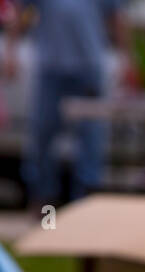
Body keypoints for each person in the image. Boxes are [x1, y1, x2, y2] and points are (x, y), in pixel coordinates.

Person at [2, 0, 129, 208]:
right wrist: (10, 52)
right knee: (43, 134)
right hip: (51, 69)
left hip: (89, 70)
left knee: (91, 138)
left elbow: (117, 18)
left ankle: (86, 203)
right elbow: (18, 11)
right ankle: (43, 200)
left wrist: (126, 60)